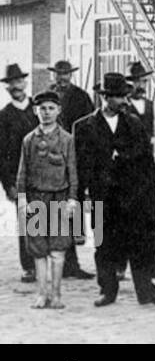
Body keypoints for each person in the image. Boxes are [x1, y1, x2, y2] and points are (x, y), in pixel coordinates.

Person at [77, 73, 155, 309]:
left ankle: (147, 293)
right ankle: (107, 291)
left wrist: (151, 194)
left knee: (139, 245)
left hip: (133, 196)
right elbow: (81, 165)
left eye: (125, 96)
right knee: (103, 246)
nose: (124, 101)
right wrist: (81, 196)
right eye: (119, 97)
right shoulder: (84, 126)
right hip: (102, 197)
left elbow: (146, 162)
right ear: (105, 98)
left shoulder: (134, 123)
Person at [16, 90, 76, 309]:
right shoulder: (29, 140)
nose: (47, 113)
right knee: (39, 251)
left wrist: (72, 200)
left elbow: (73, 174)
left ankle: (57, 294)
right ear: (35, 111)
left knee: (58, 250)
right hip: (35, 199)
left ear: (58, 110)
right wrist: (22, 200)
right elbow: (22, 173)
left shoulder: (67, 139)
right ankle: (41, 294)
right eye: (42, 109)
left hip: (59, 199)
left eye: (51, 108)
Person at [47, 60, 95, 281]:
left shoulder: (82, 97)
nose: (62, 78)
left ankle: (73, 263)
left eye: (65, 74)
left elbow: (91, 128)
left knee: (73, 210)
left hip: (75, 160)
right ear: (54, 76)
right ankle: (56, 262)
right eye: (58, 74)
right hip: (51, 161)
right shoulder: (46, 97)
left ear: (71, 75)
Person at [123, 61, 155, 281]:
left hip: (148, 172)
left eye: (142, 81)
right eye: (135, 81)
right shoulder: (122, 108)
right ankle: (120, 266)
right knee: (124, 220)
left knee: (152, 219)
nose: (139, 85)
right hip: (126, 172)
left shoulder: (151, 106)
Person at [1, 63, 39, 283]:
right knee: (27, 222)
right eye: (11, 83)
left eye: (19, 81)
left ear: (25, 83)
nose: (16, 86)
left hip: (45, 174)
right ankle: (29, 266)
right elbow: (2, 155)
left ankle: (48, 263)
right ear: (7, 88)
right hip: (20, 178)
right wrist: (8, 185)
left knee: (49, 216)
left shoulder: (39, 108)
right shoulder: (4, 116)